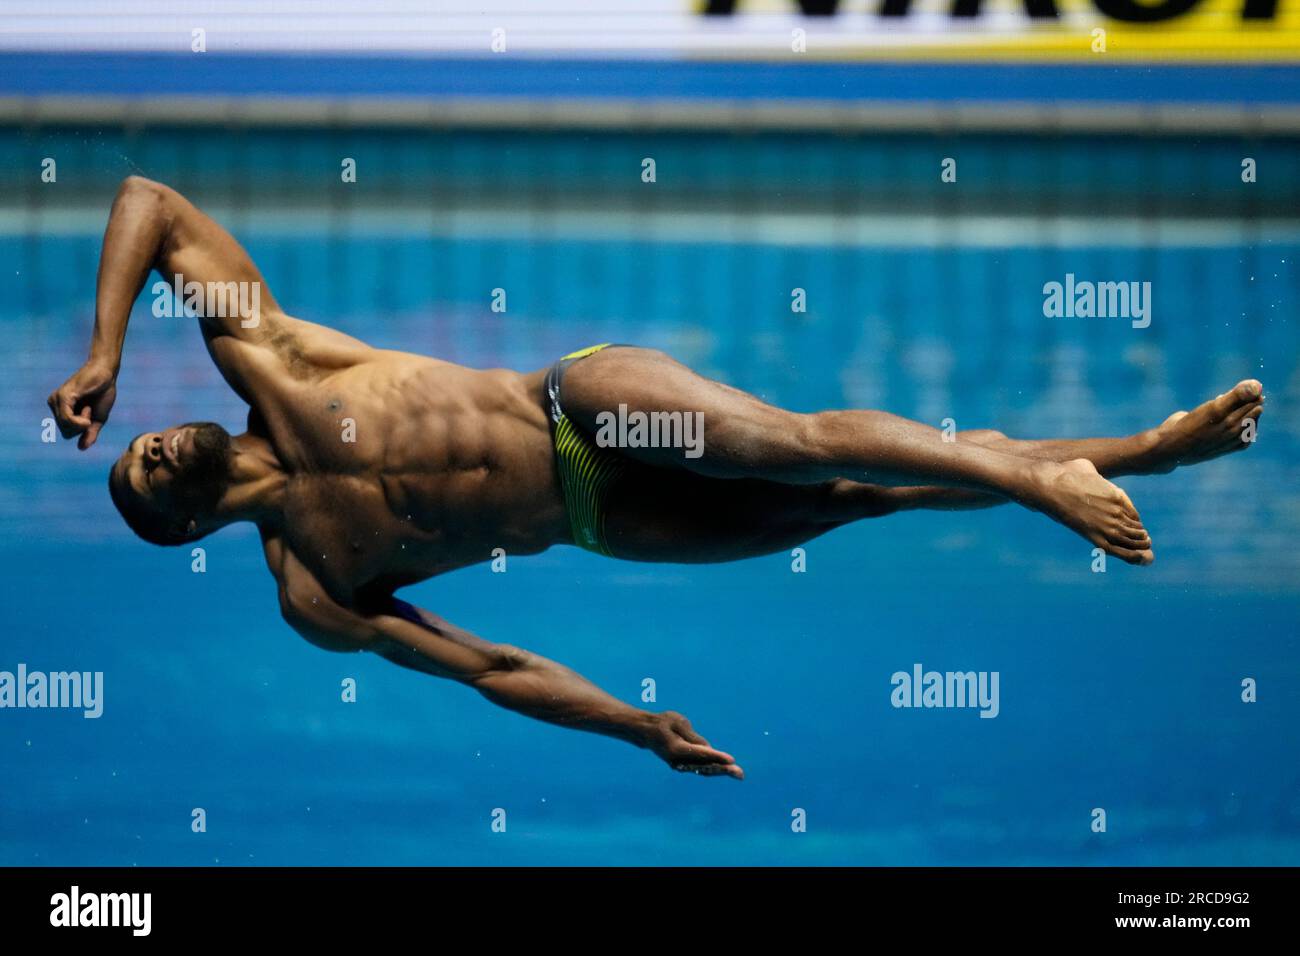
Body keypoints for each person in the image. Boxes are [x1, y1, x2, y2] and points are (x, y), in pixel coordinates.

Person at [49, 177, 1265, 778]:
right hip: (601, 515)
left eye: (141, 445)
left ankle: (1052, 483)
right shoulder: (318, 584)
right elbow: (493, 667)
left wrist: (102, 349)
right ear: (188, 522)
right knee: (852, 502)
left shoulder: (265, 357)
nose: (147, 451)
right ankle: (1139, 450)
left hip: (579, 400)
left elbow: (149, 203)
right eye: (146, 484)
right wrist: (636, 725)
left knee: (792, 443)